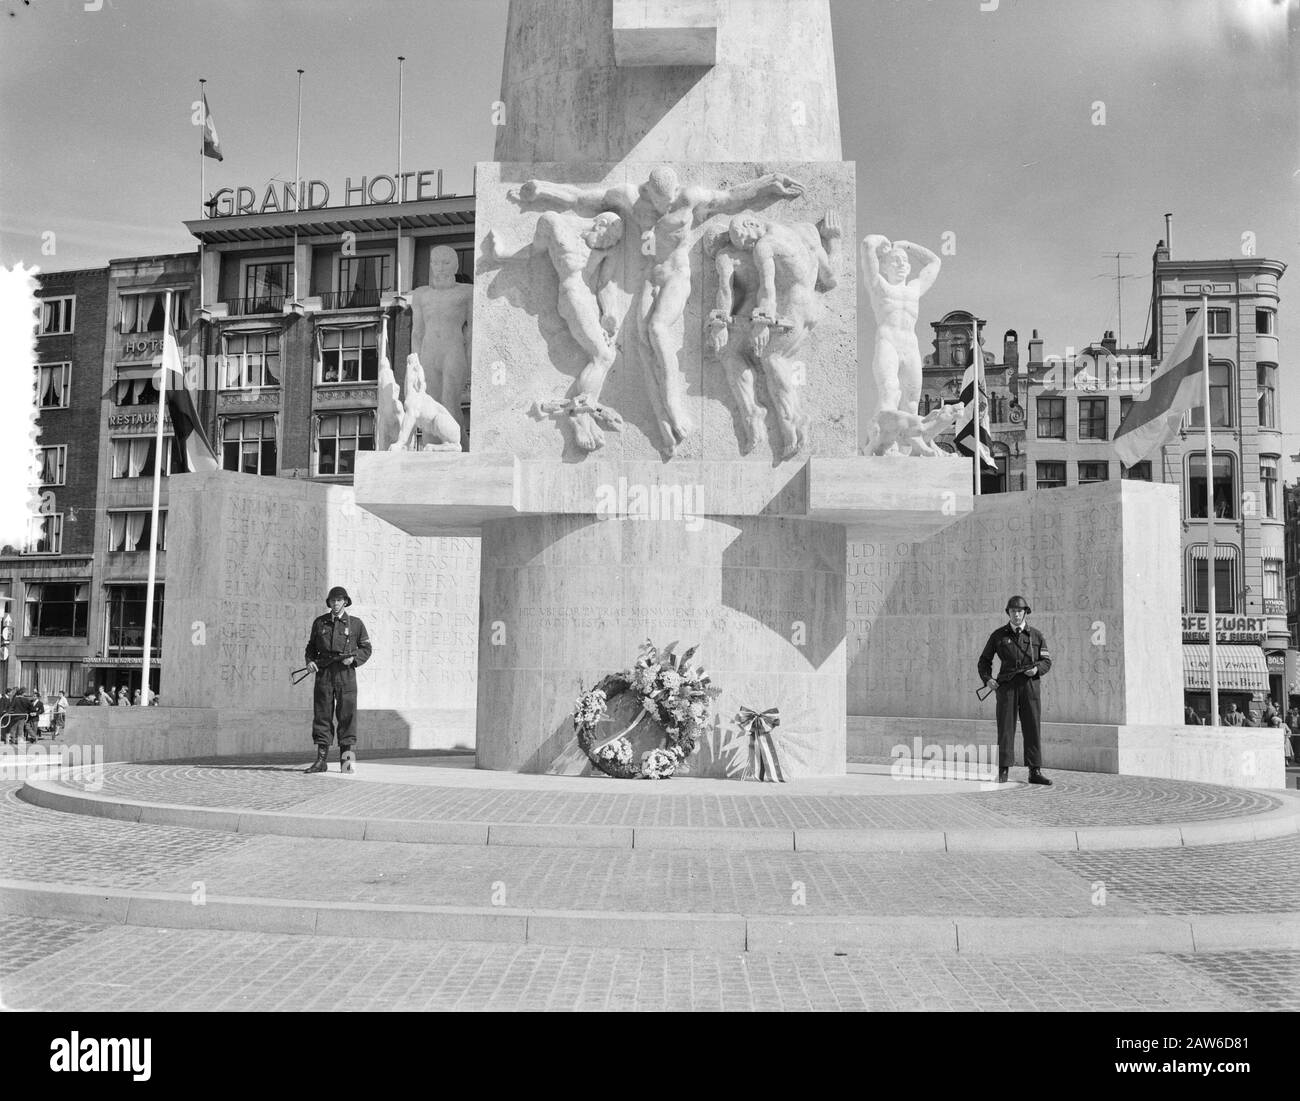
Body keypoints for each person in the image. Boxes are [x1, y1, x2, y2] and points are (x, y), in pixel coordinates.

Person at [978, 595, 1054, 785]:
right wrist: (988, 679)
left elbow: (1046, 661)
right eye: (1013, 611)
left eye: (1020, 611)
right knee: (1005, 728)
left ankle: (1034, 771)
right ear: (1008, 613)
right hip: (1007, 687)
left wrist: (1036, 669)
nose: (1017, 614)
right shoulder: (998, 635)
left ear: (1025, 612)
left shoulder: (1036, 635)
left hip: (1030, 686)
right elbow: (984, 661)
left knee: (1032, 727)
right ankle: (1003, 769)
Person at [303, 585, 372, 774]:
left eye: (339, 600)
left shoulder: (356, 624)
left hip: (345, 675)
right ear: (329, 602)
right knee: (322, 716)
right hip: (324, 674)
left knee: (347, 716)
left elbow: (366, 649)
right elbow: (311, 648)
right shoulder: (320, 623)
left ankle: (346, 762)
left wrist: (354, 659)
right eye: (332, 600)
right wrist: (310, 662)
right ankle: (321, 761)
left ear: (345, 602)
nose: (335, 604)